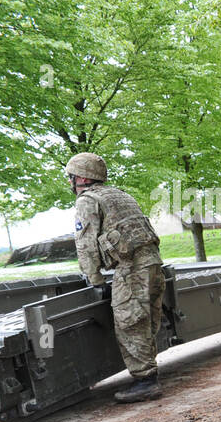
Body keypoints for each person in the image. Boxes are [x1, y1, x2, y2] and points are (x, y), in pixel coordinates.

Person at [66, 152, 166, 404]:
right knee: (147, 321)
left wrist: (95, 279)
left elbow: (86, 244)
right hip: (153, 265)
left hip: (131, 270)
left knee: (130, 323)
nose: (70, 182)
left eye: (71, 177)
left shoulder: (87, 201)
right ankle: (148, 375)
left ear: (80, 177)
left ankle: (145, 381)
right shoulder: (121, 195)